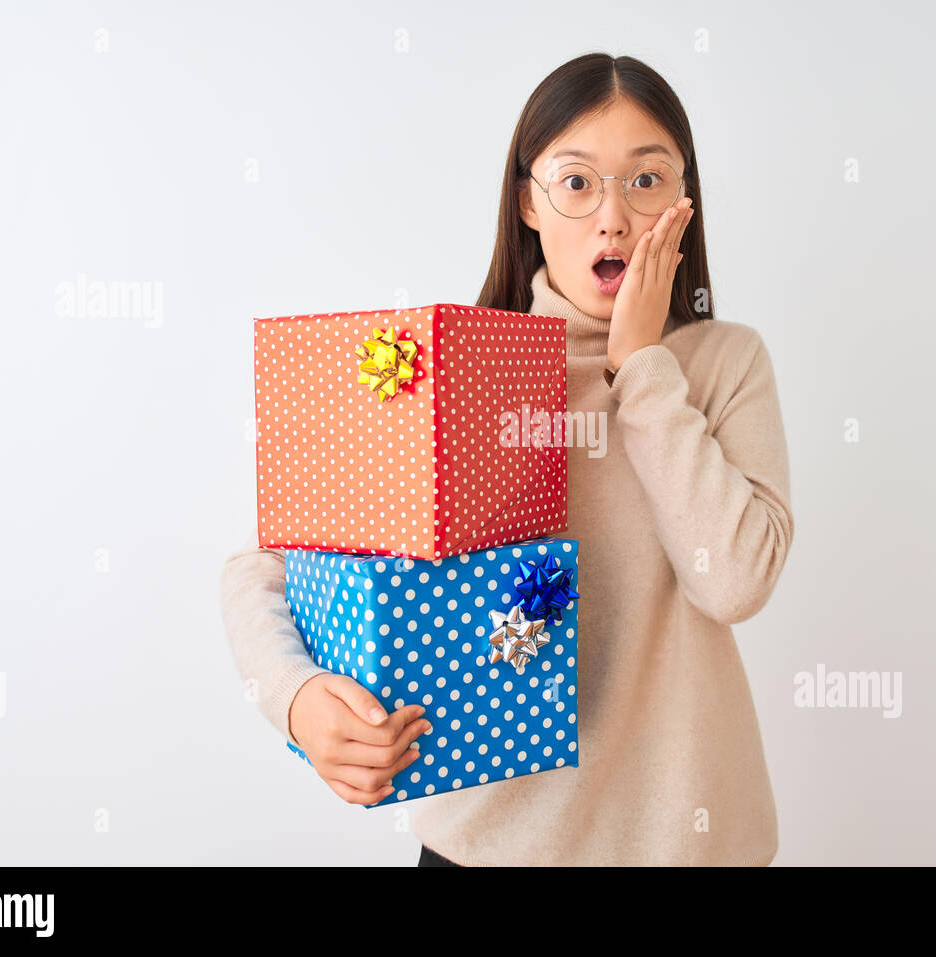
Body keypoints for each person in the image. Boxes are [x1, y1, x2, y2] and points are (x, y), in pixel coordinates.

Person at [220, 52, 794, 866]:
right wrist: (298, 700)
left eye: (646, 180)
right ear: (528, 201)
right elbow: (263, 561)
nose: (613, 219)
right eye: (576, 182)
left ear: (684, 201)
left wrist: (641, 368)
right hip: (488, 850)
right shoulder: (455, 363)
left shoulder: (723, 365)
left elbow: (734, 579)